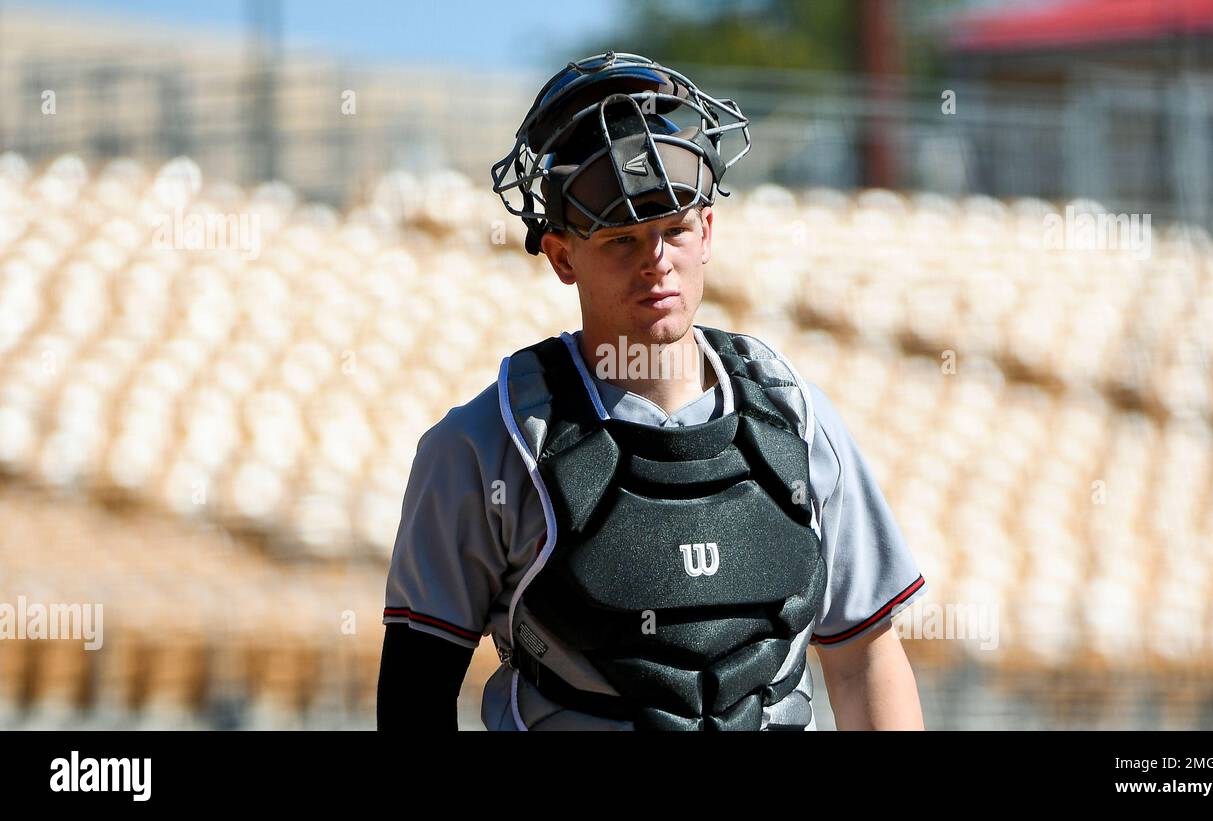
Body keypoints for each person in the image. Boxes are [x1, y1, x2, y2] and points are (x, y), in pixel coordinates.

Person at [377, 52, 927, 731]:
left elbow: (864, 659)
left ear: (708, 234)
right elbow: (414, 695)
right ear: (561, 256)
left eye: (674, 230)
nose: (655, 262)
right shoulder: (486, 445)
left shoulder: (797, 420)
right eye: (621, 239)